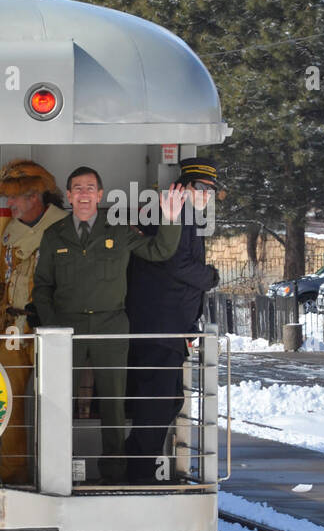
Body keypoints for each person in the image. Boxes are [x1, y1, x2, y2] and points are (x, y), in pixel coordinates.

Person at [31, 166, 183, 483]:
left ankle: (113, 472)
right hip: (65, 331)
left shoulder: (118, 231)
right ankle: (55, 471)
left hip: (110, 327)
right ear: (69, 196)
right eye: (77, 188)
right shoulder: (53, 235)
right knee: (59, 402)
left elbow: (160, 250)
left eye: (90, 188)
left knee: (113, 405)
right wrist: (53, 327)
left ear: (99, 195)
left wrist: (170, 218)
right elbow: (42, 287)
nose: (84, 193)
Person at [124, 158, 222, 483]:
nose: (206, 195)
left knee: (168, 400)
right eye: (201, 188)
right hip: (159, 327)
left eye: (211, 191)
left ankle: (140, 463)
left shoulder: (185, 215)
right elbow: (176, 265)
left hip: (168, 328)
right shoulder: (176, 214)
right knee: (157, 402)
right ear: (184, 186)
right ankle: (139, 472)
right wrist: (211, 276)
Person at [0, 160, 70, 483]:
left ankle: (52, 472)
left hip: (50, 329)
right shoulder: (12, 231)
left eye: (15, 197)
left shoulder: (65, 227)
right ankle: (12, 468)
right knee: (8, 398)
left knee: (54, 401)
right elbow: (0, 278)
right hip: (12, 327)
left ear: (35, 196)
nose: (10, 203)